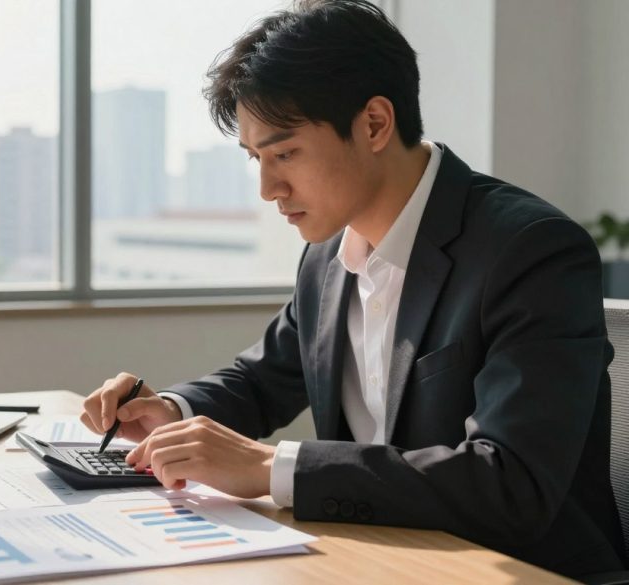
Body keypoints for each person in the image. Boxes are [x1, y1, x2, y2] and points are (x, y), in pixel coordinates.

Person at [79, 0, 626, 578]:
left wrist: (273, 467)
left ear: (373, 124)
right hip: (374, 558)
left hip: (515, 570)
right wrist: (171, 410)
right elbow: (264, 379)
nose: (268, 188)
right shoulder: (328, 254)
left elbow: (509, 482)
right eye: (255, 158)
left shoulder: (529, 249)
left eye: (285, 152)